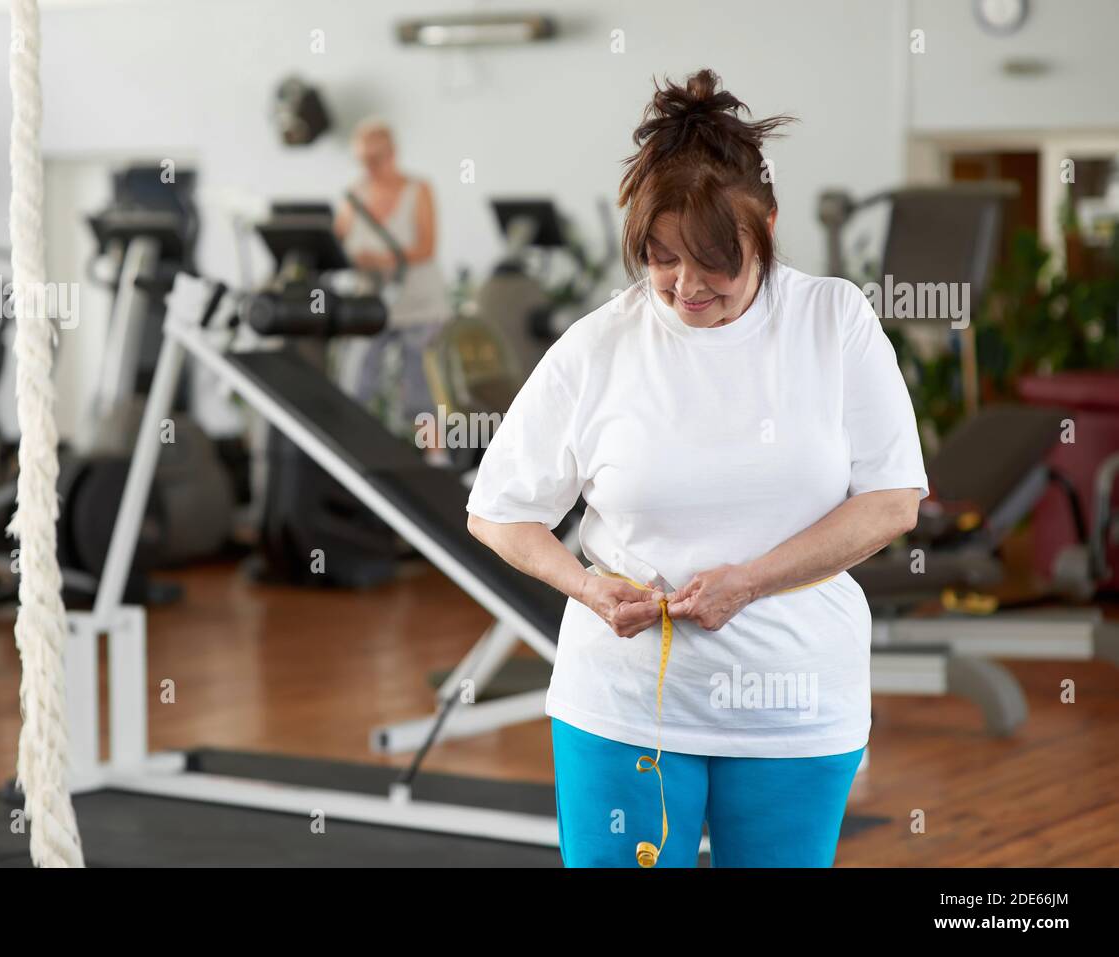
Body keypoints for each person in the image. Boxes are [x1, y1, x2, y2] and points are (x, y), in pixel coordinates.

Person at [464, 69, 929, 868]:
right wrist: (584, 584)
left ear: (768, 226)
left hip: (794, 701)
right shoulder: (599, 345)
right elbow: (497, 509)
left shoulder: (833, 322)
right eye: (662, 257)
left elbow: (891, 503)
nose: (686, 285)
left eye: (715, 260)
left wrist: (749, 580)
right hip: (622, 702)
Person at [332, 117, 452, 462]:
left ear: (392, 153)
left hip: (420, 303)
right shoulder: (353, 196)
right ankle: (351, 459)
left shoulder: (420, 189)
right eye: (362, 159)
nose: (368, 166)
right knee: (356, 381)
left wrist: (378, 259)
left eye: (375, 157)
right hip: (373, 306)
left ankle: (437, 463)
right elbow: (337, 246)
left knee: (422, 390)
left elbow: (427, 247)